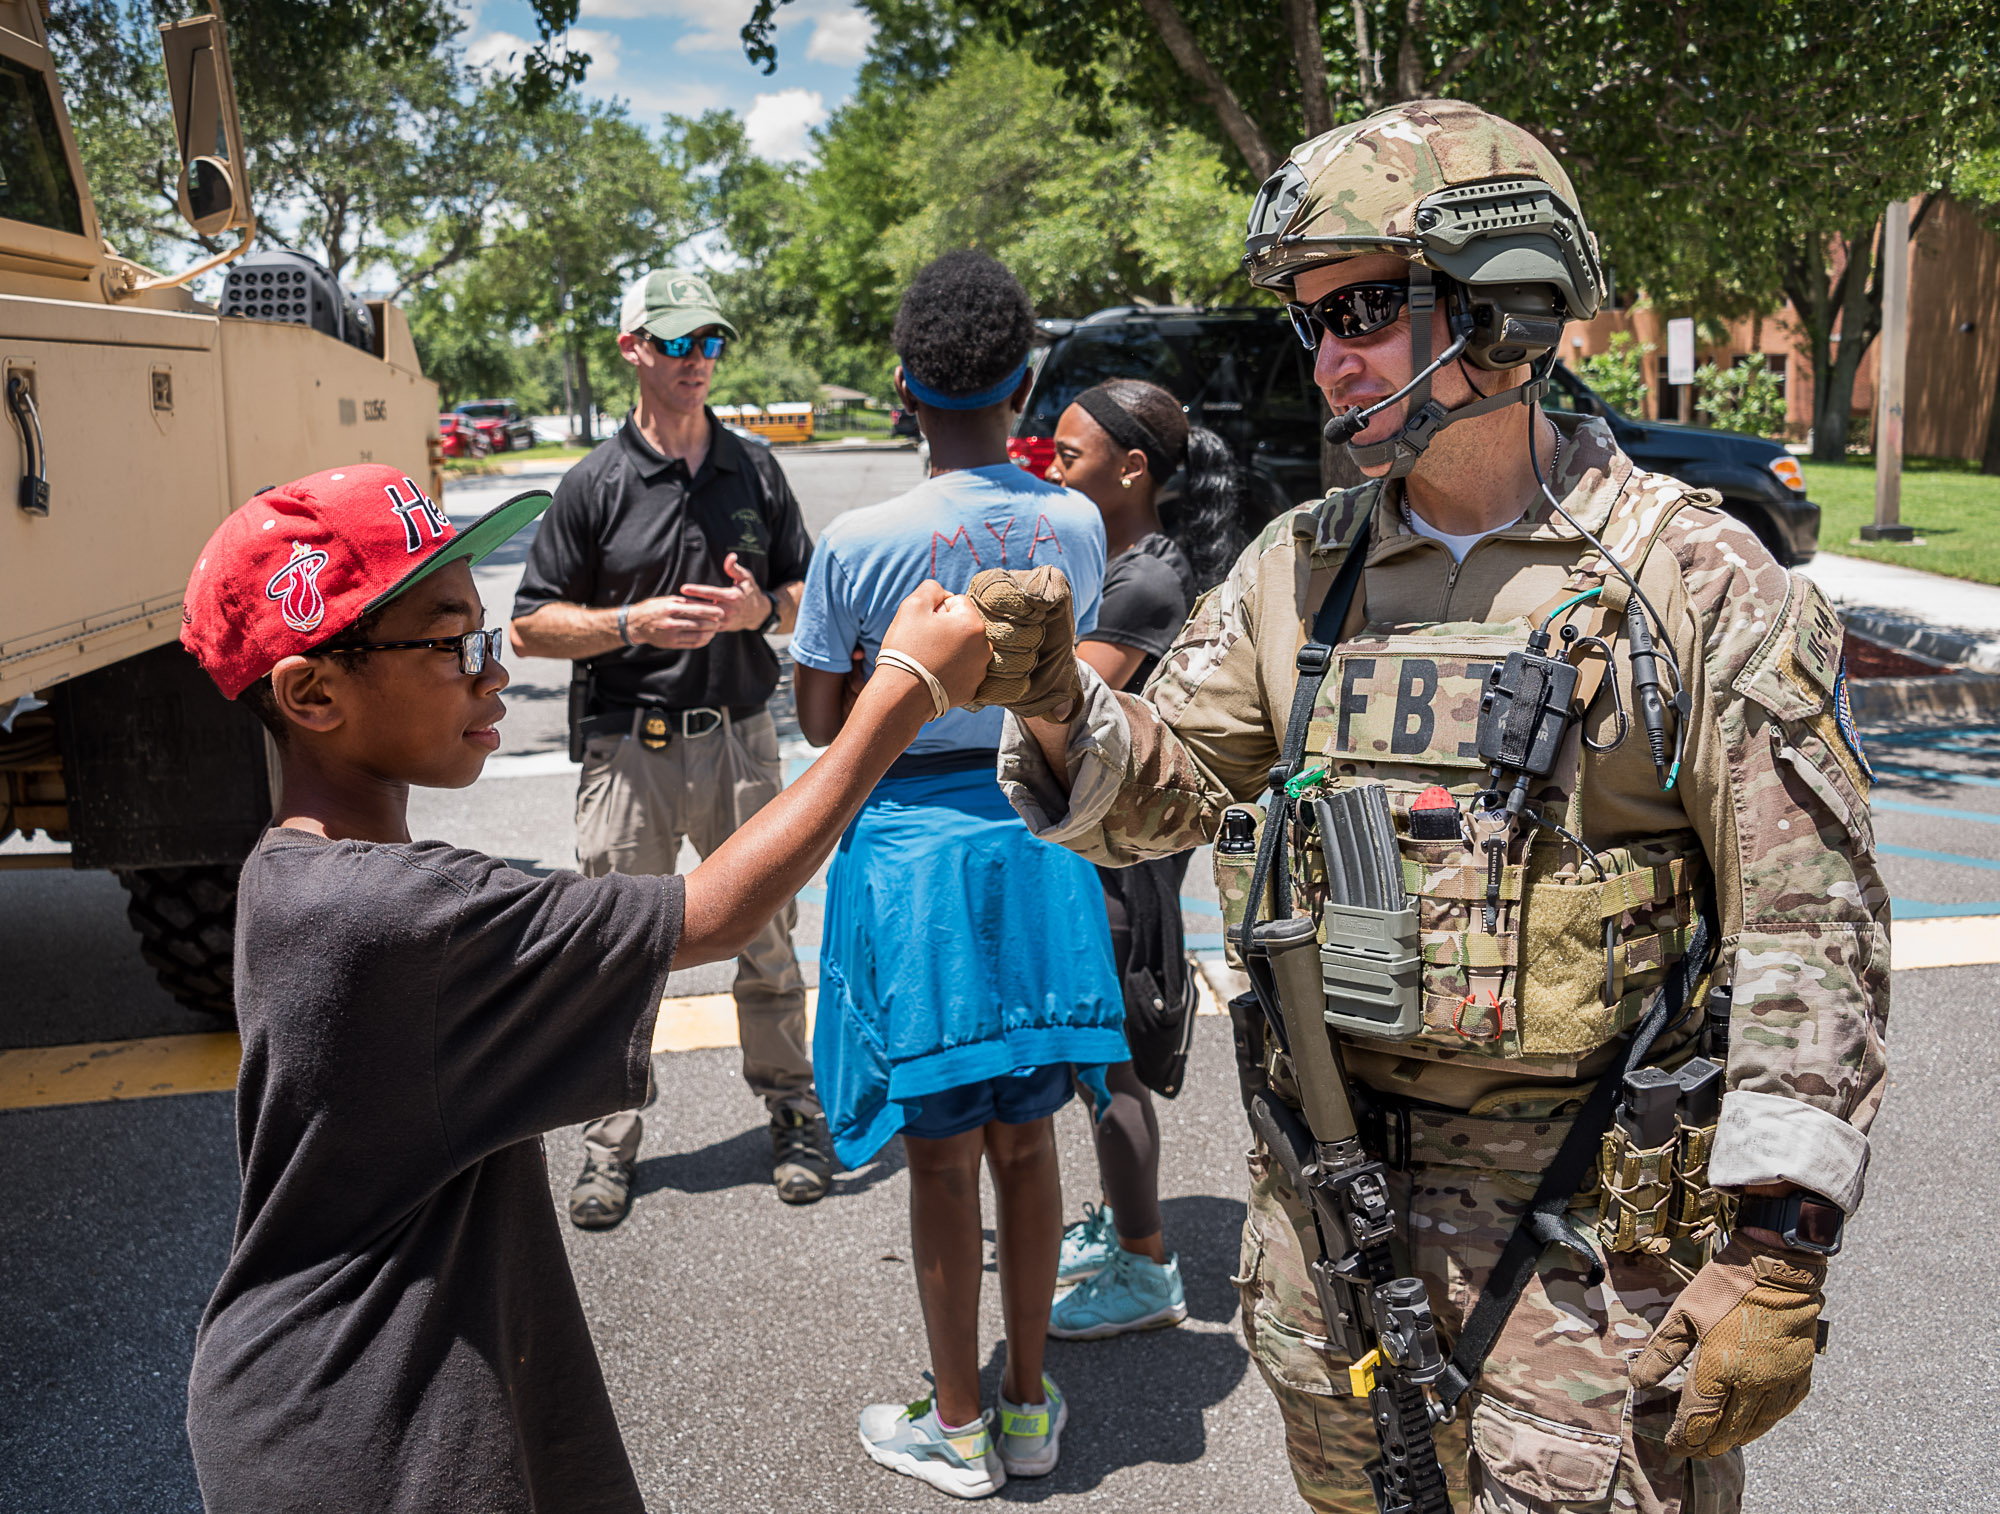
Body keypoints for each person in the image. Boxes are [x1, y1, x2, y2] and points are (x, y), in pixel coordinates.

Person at [979, 100, 1886, 1513]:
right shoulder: (1300, 571)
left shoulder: (1693, 578)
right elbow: (1160, 800)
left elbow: (1808, 925)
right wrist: (1053, 703)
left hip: (1586, 1266)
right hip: (1333, 1240)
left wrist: (1778, 1246)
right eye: (1310, 316)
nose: (1328, 349)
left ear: (1507, 308)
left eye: (1364, 305)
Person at [176, 464, 992, 1513]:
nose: (492, 675)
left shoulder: (291, 872)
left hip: (349, 1389)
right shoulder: (390, 917)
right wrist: (903, 691)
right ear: (314, 692)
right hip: (371, 1435)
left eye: (485, 633)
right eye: (449, 643)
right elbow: (712, 913)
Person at [788, 251, 1126, 1499]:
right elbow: (1064, 681)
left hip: (910, 864)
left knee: (941, 1155)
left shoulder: (859, 540)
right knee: (1030, 1142)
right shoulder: (1075, 521)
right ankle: (1029, 1405)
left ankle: (956, 1422)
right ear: (1025, 382)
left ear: (899, 388)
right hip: (1035, 836)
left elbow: (828, 722)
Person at [509, 270, 827, 1223]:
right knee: (615, 956)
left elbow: (814, 597)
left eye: (711, 343)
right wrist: (629, 623)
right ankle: (608, 1143)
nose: (700, 361)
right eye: (680, 343)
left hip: (739, 747)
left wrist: (758, 609)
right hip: (630, 755)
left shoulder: (753, 471)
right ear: (633, 349)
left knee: (767, 938)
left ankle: (792, 1110)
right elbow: (529, 627)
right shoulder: (594, 485)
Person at [1038, 379, 1246, 1340]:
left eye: (1068, 457)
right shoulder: (1115, 558)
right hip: (1100, 845)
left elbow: (1061, 707)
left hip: (1121, 857)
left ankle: (1149, 1261)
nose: (1050, 466)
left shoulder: (1148, 579)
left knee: (1111, 1059)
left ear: (1131, 470)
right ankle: (1125, 1231)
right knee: (1095, 1056)